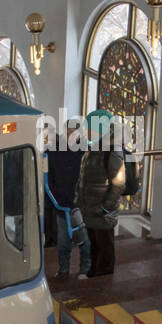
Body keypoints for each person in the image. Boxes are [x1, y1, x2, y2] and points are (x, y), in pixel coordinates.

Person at [75, 110, 126, 278]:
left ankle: (103, 280)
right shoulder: (94, 146)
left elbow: (118, 184)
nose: (86, 131)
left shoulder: (112, 150)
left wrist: (105, 208)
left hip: (101, 210)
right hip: (90, 207)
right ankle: (94, 274)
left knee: (104, 246)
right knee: (94, 244)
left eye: (89, 128)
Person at [46, 120, 92, 279]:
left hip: (80, 204)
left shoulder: (85, 151)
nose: (70, 135)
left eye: (73, 132)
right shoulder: (54, 150)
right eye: (68, 131)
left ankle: (85, 269)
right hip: (62, 203)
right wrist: (54, 198)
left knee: (84, 239)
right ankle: (63, 269)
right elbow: (49, 177)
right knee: (63, 240)